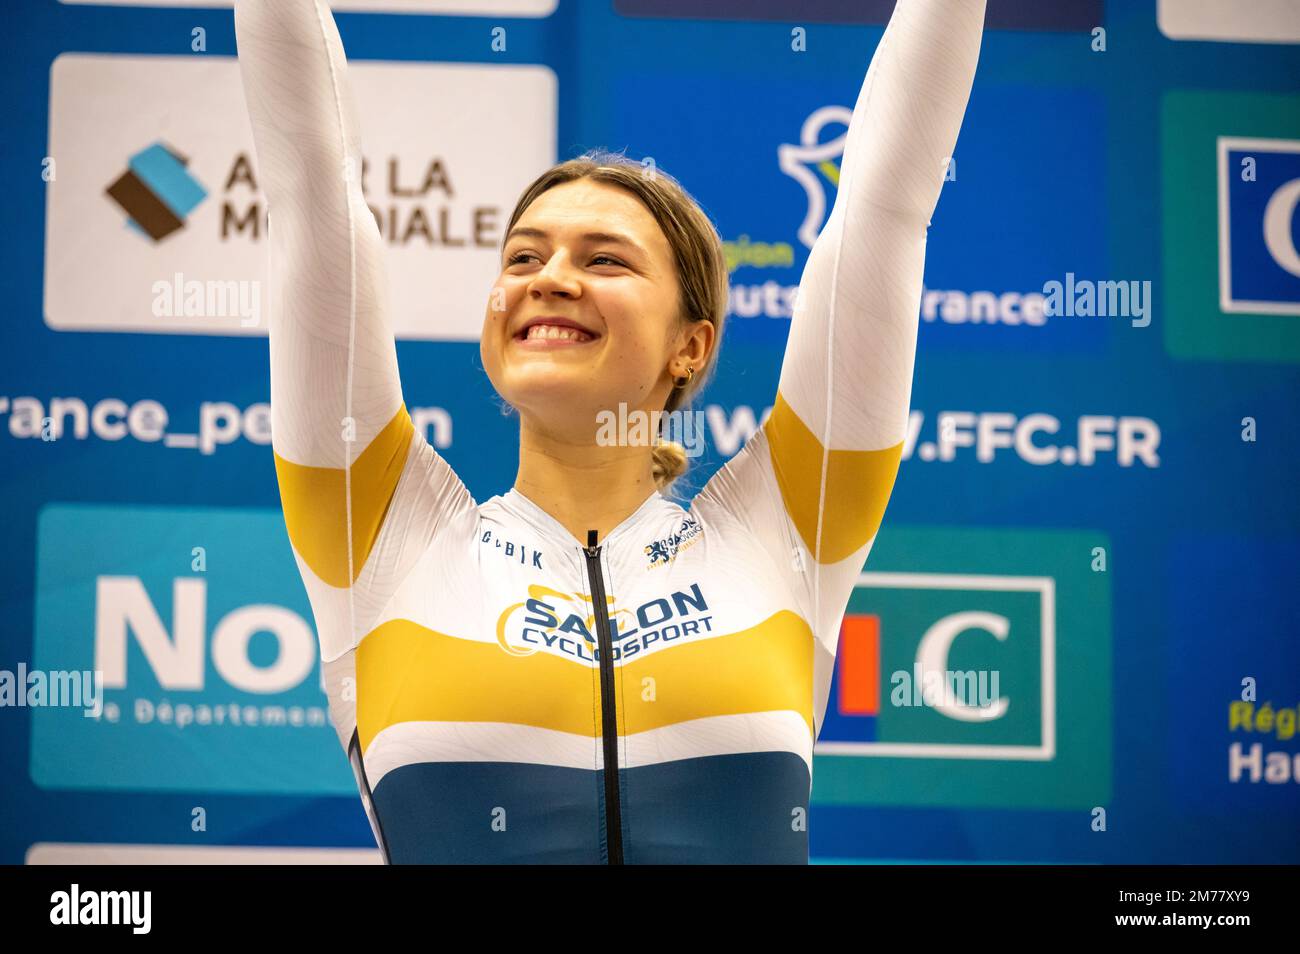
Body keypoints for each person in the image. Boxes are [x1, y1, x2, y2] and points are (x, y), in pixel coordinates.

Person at [234, 0, 986, 864]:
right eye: (522, 257)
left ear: (689, 344)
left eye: (604, 259)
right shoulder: (381, 536)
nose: (549, 279)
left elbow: (885, 207)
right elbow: (310, 192)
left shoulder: (787, 532)